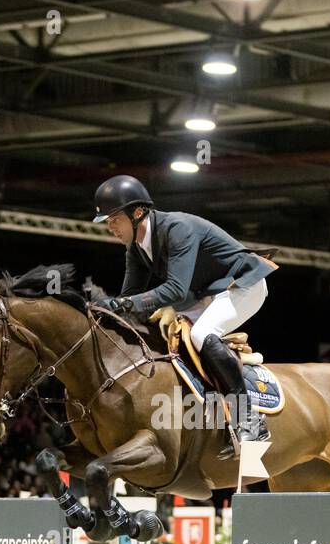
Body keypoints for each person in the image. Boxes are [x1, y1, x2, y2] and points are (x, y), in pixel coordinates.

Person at [88, 174, 275, 454]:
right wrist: (104, 312)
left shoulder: (178, 228)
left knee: (202, 334)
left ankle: (249, 420)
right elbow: (129, 299)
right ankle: (214, 418)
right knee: (169, 341)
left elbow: (175, 291)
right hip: (204, 295)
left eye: (115, 220)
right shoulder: (136, 249)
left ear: (137, 212)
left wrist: (124, 305)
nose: (111, 228)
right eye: (109, 222)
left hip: (242, 285)